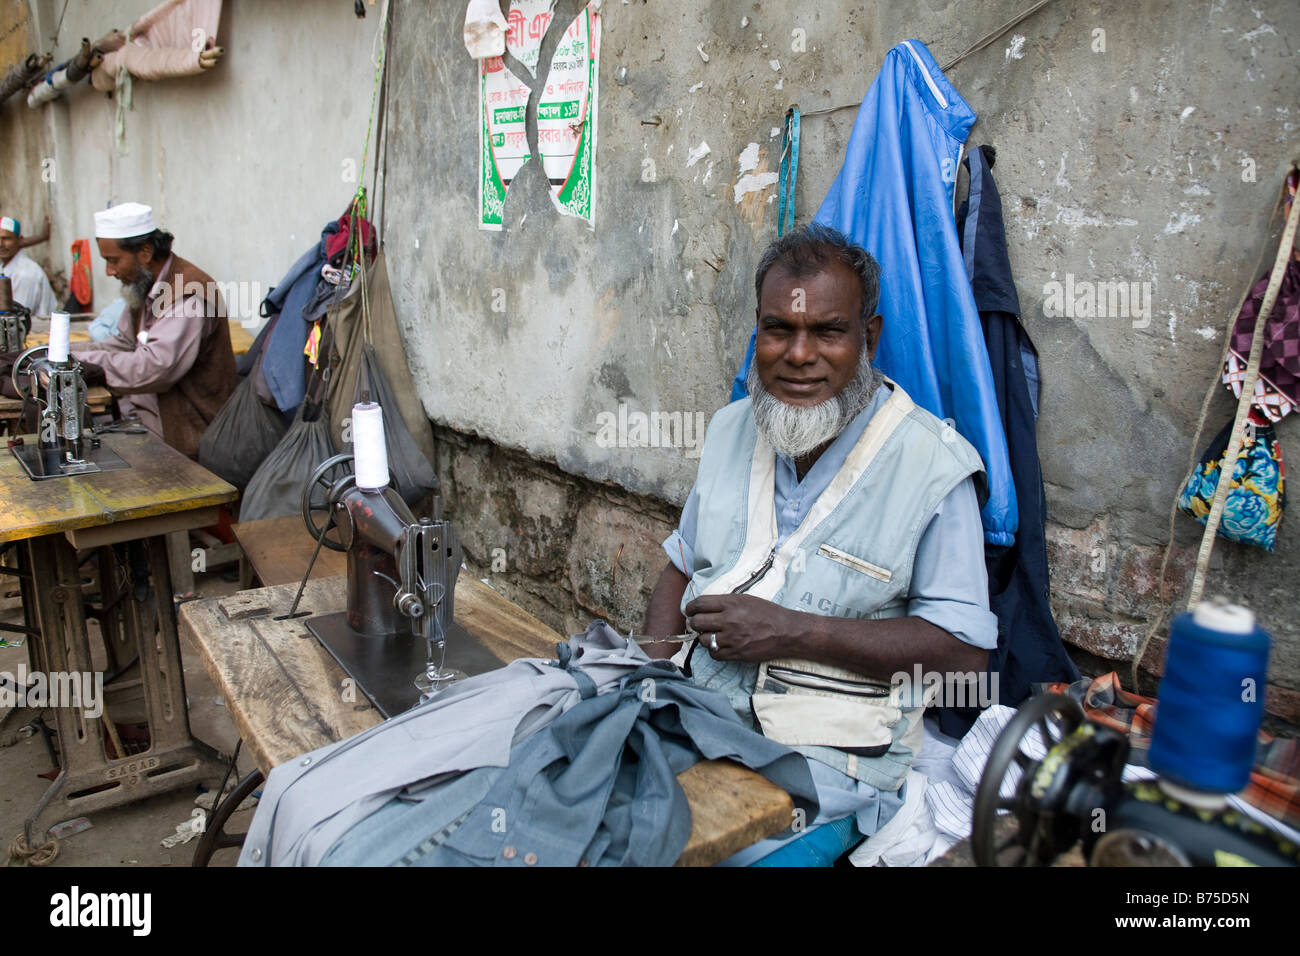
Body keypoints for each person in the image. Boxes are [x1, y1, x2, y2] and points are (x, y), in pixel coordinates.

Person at [642, 223, 998, 865]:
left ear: (869, 336)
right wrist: (652, 678)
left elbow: (963, 661)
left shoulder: (932, 468)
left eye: (828, 331)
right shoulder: (731, 428)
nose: (798, 354)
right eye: (779, 328)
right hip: (691, 719)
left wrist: (796, 633)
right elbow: (679, 565)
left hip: (829, 766)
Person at [72, 202, 235, 459]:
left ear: (145, 252)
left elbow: (154, 367)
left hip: (187, 429)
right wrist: (66, 354)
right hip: (145, 414)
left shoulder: (188, 294)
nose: (109, 271)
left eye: (113, 261)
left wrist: (85, 362)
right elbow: (123, 343)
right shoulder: (145, 285)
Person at [0, 214, 58, 317]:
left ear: (20, 240)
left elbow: (18, 316)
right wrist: (43, 236)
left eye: (6, 238)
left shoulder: (25, 274)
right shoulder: (5, 265)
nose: (1, 244)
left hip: (35, 330)